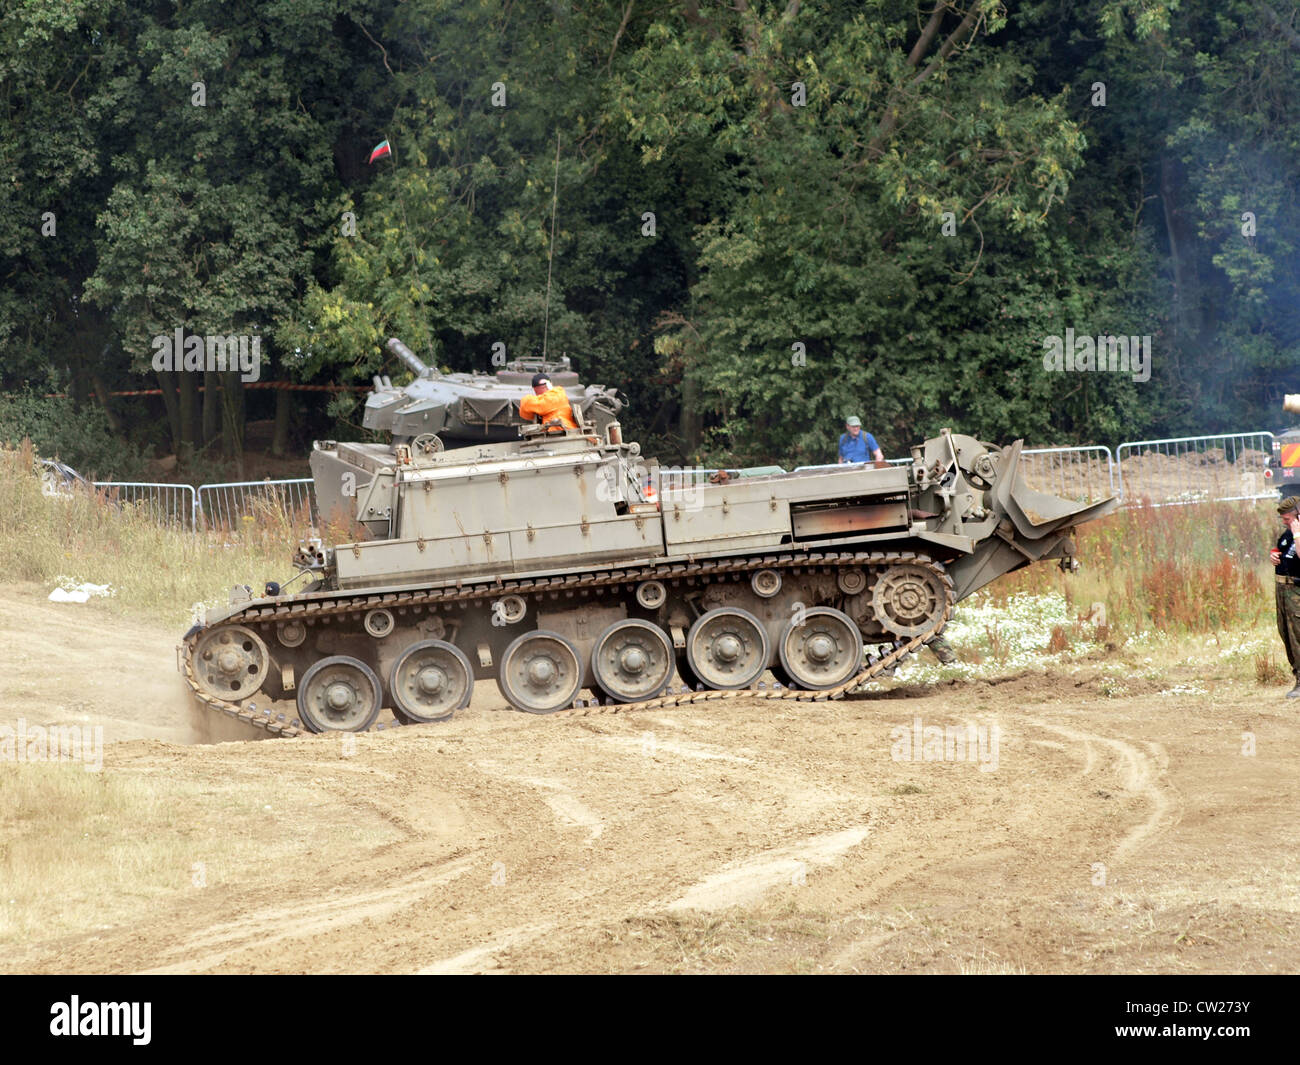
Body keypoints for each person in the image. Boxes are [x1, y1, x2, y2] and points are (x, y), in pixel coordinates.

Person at [1271, 495, 1300, 698]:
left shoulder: (1297, 534)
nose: (1284, 522)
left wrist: (1297, 534)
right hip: (1282, 591)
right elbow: (1281, 549)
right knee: (1286, 635)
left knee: (1298, 636)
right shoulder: (1287, 535)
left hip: (1296, 592)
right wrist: (1273, 554)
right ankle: (1297, 676)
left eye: (1288, 519)